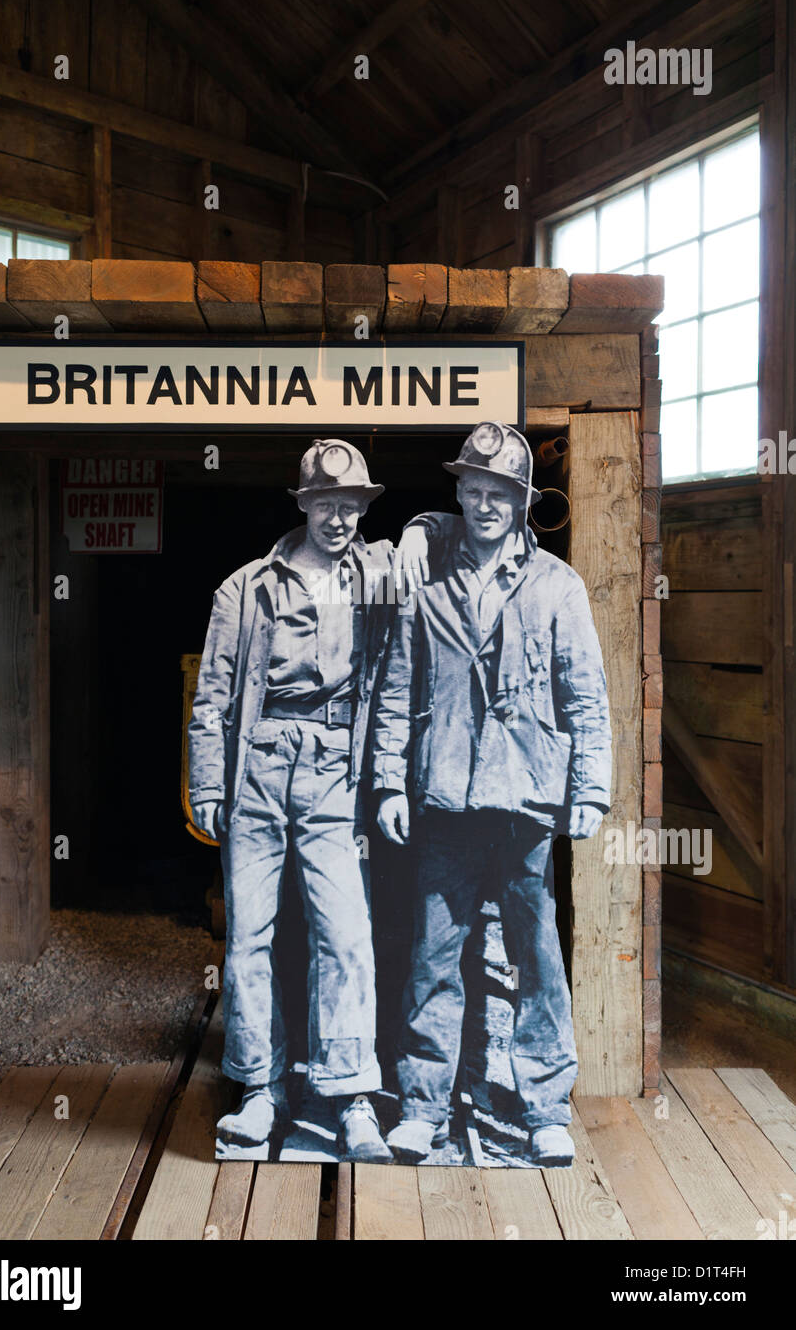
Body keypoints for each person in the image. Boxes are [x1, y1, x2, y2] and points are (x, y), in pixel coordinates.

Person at [372, 421, 612, 1167]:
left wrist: (590, 790)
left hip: (527, 800)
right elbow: (394, 692)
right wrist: (387, 781)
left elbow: (586, 697)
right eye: (472, 491)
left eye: (497, 494)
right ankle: (421, 1108)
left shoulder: (557, 586)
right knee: (432, 957)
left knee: (535, 958)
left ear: (519, 501)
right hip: (444, 797)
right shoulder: (428, 588)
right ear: (460, 496)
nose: (483, 505)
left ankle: (542, 1108)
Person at [187, 438, 397, 1162]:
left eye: (351, 507)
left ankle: (349, 1093)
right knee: (249, 935)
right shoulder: (244, 589)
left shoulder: (377, 578)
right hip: (257, 770)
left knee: (345, 933)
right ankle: (257, 1089)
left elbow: (436, 558)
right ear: (303, 506)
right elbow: (211, 699)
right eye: (326, 505)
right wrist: (208, 784)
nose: (339, 519)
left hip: (333, 772)